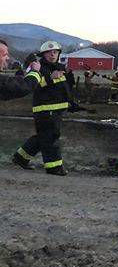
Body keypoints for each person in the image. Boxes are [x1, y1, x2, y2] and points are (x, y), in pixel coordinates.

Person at [11, 41, 74, 175]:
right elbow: (33, 85)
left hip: (56, 108)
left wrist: (70, 102)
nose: (52, 54)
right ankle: (54, 167)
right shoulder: (38, 68)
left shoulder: (60, 68)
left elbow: (63, 89)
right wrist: (50, 78)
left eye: (55, 52)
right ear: (43, 54)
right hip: (44, 109)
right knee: (51, 136)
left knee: (44, 136)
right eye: (49, 52)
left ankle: (20, 158)